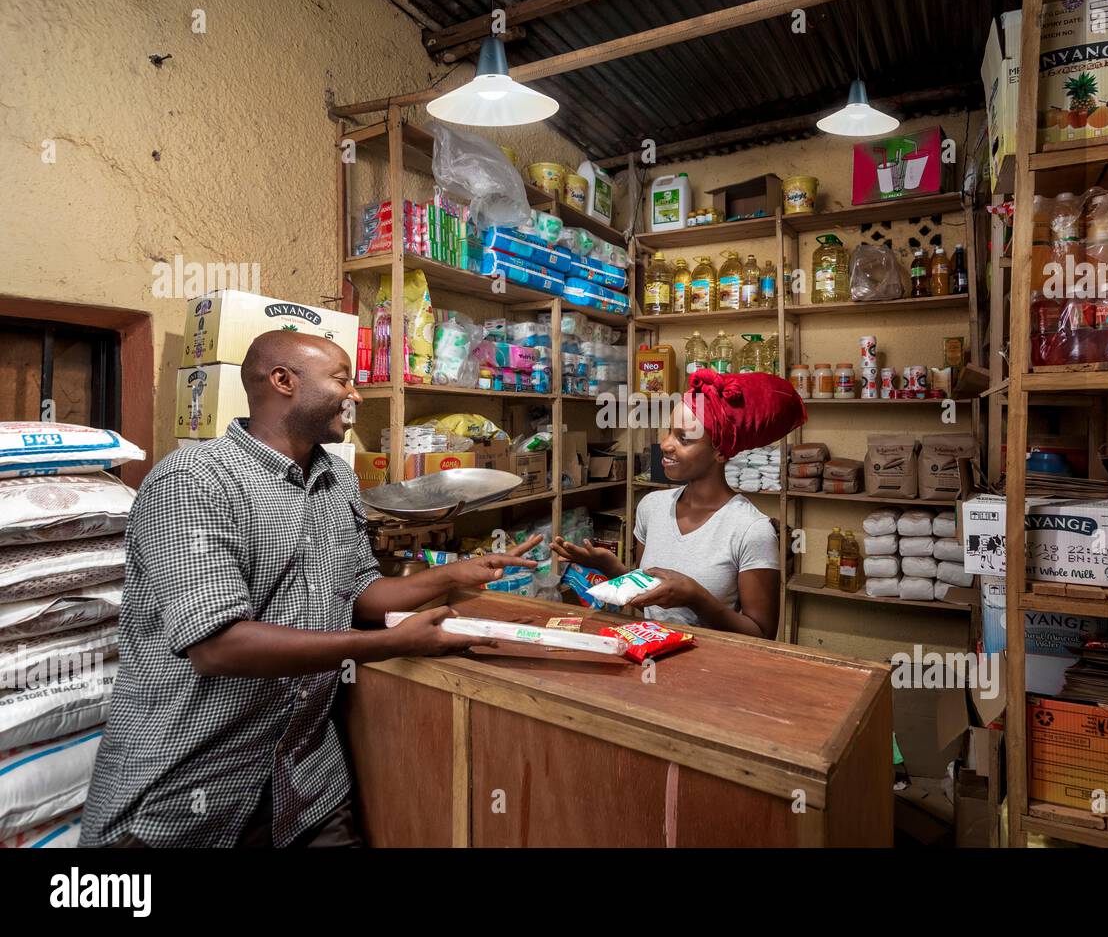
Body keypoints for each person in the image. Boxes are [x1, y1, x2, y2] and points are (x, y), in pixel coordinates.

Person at [81, 331, 540, 848]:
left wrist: (452, 576)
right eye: (343, 380)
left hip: (306, 783)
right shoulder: (194, 480)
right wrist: (393, 643)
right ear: (284, 382)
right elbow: (218, 645)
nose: (357, 395)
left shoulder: (336, 478)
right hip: (192, 786)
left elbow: (357, 590)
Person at [551, 368, 806, 638]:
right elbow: (649, 601)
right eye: (669, 432)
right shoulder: (651, 507)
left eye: (684, 438)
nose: (666, 444)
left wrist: (696, 597)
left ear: (720, 451)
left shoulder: (751, 529)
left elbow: (762, 635)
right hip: (651, 657)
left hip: (711, 671)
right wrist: (612, 569)